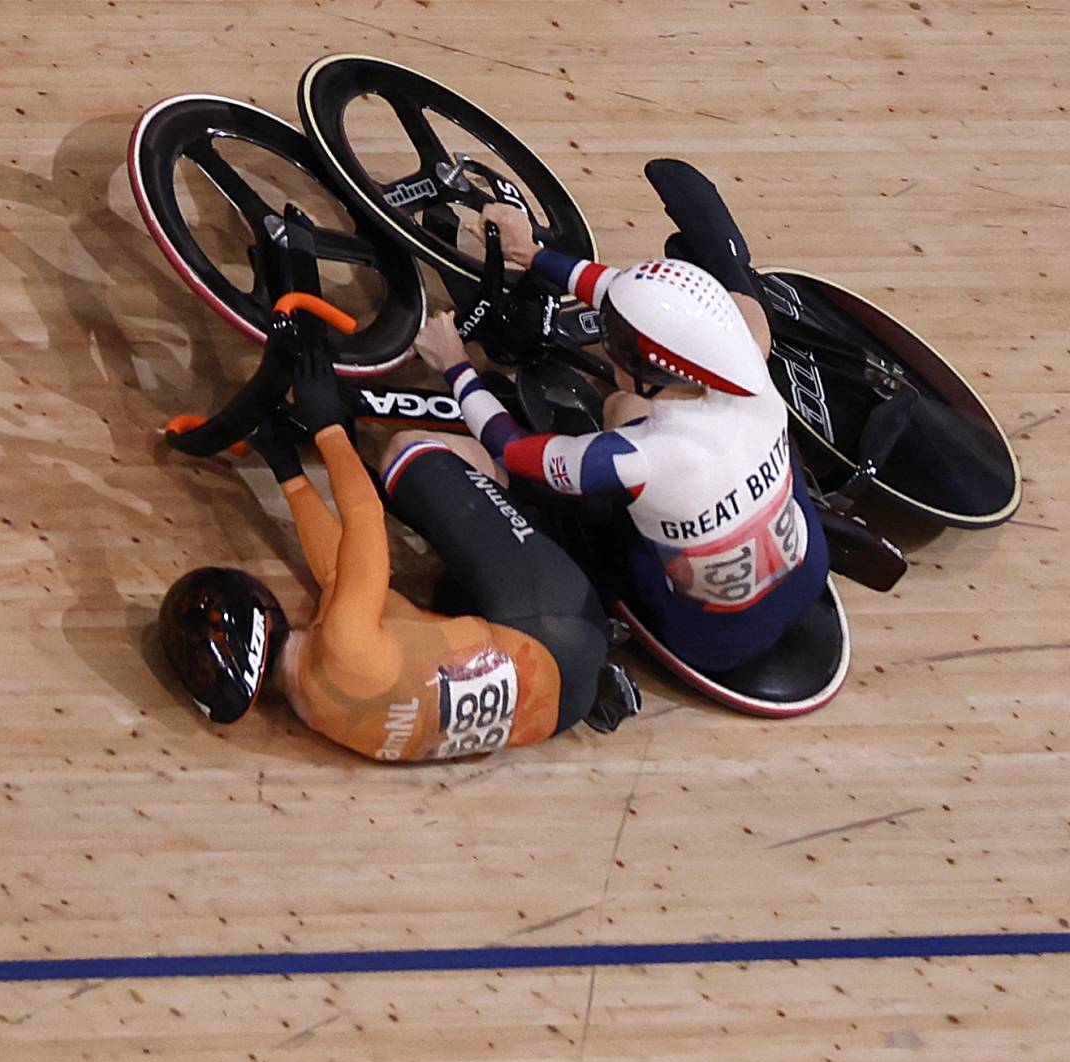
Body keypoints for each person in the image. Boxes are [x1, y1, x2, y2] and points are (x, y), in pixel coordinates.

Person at [158, 304, 635, 762]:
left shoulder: (316, 705)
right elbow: (364, 519)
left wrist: (290, 473)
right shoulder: (345, 645)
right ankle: (568, 498)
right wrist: (329, 430)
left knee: (443, 590)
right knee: (411, 458)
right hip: (557, 626)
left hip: (559, 711)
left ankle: (597, 666)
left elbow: (336, 573)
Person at [442, 160, 829, 673]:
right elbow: (624, 296)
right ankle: (730, 263)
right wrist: (533, 254)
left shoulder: (633, 459)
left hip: (711, 641)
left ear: (648, 369)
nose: (606, 347)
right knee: (749, 322)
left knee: (611, 414)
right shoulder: (749, 369)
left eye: (614, 347)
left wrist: (454, 365)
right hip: (808, 571)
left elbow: (509, 447)